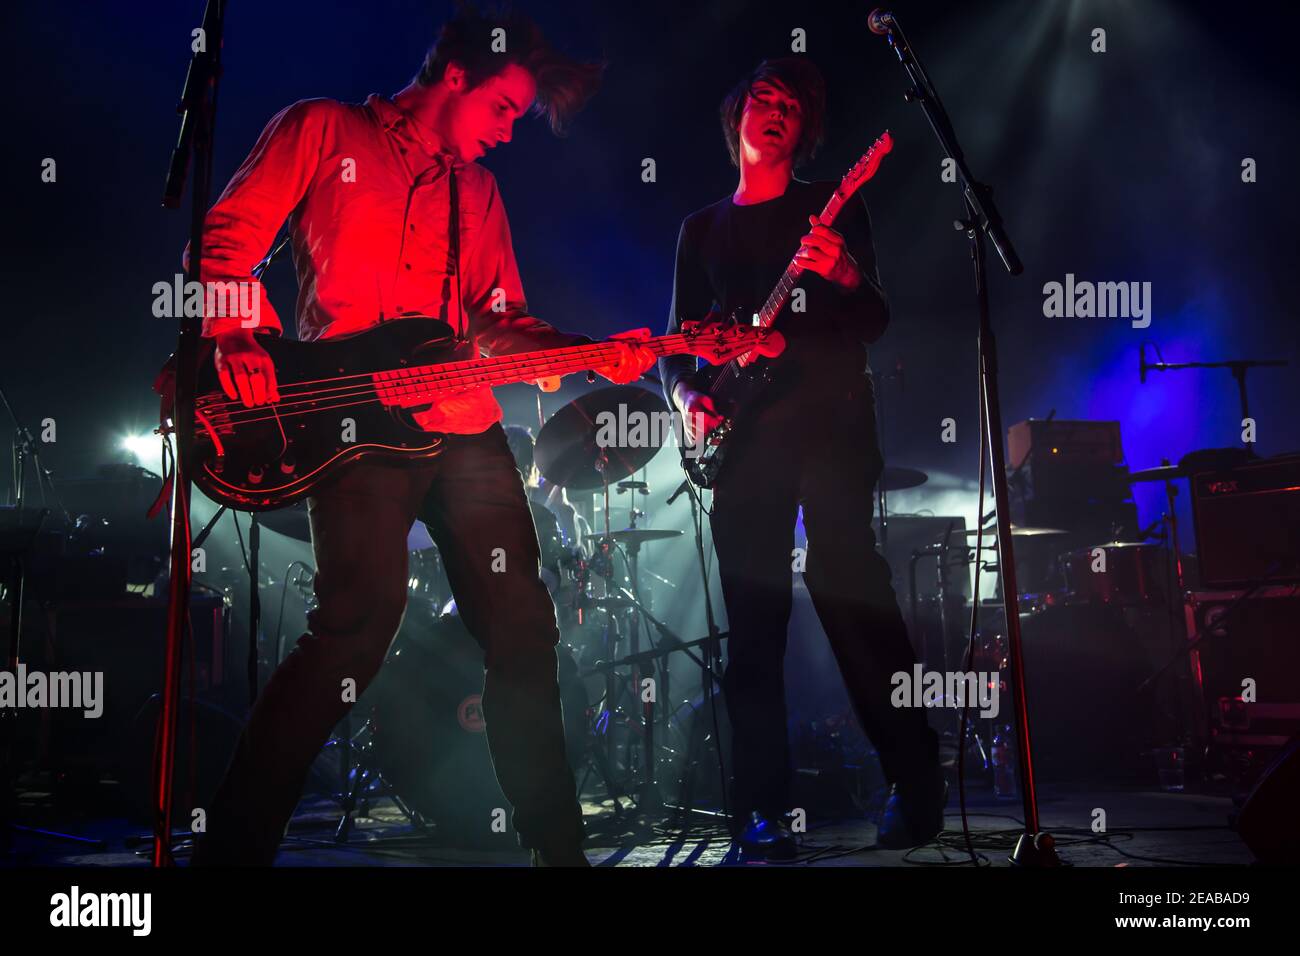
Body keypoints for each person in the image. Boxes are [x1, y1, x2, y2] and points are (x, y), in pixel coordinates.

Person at [187, 6, 655, 867]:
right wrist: (233, 334)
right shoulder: (325, 128)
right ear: (454, 77)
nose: (510, 133)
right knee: (355, 627)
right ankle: (231, 854)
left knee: (524, 627)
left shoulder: (475, 191)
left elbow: (499, 323)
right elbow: (224, 239)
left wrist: (592, 358)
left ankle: (561, 855)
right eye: (505, 109)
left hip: (464, 421)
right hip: (352, 417)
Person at [659, 57, 945, 860]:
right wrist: (690, 400)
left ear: (805, 131)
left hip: (833, 427)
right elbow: (673, 347)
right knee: (753, 626)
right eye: (762, 98)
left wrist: (846, 271)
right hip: (743, 442)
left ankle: (913, 781)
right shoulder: (701, 229)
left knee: (846, 582)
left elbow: (875, 317)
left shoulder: (828, 209)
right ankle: (762, 812)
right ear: (737, 116)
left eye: (791, 106)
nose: (775, 112)